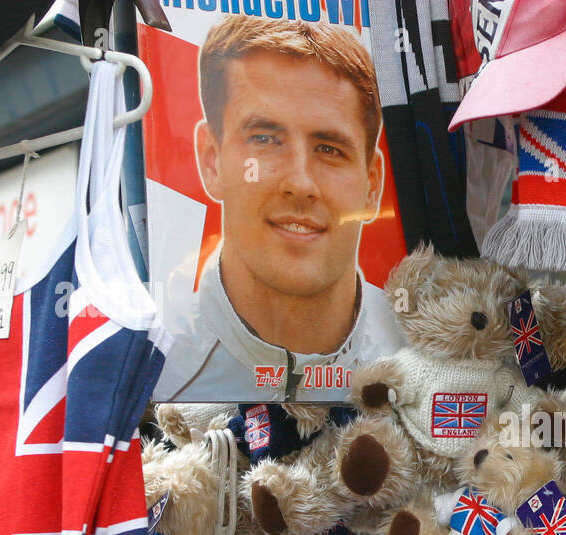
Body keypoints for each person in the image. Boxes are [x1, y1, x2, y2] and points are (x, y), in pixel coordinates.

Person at [155, 16, 403, 402]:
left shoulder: (421, 359)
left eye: (329, 148)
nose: (300, 183)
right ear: (210, 160)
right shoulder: (149, 364)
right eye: (266, 139)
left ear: (372, 185)